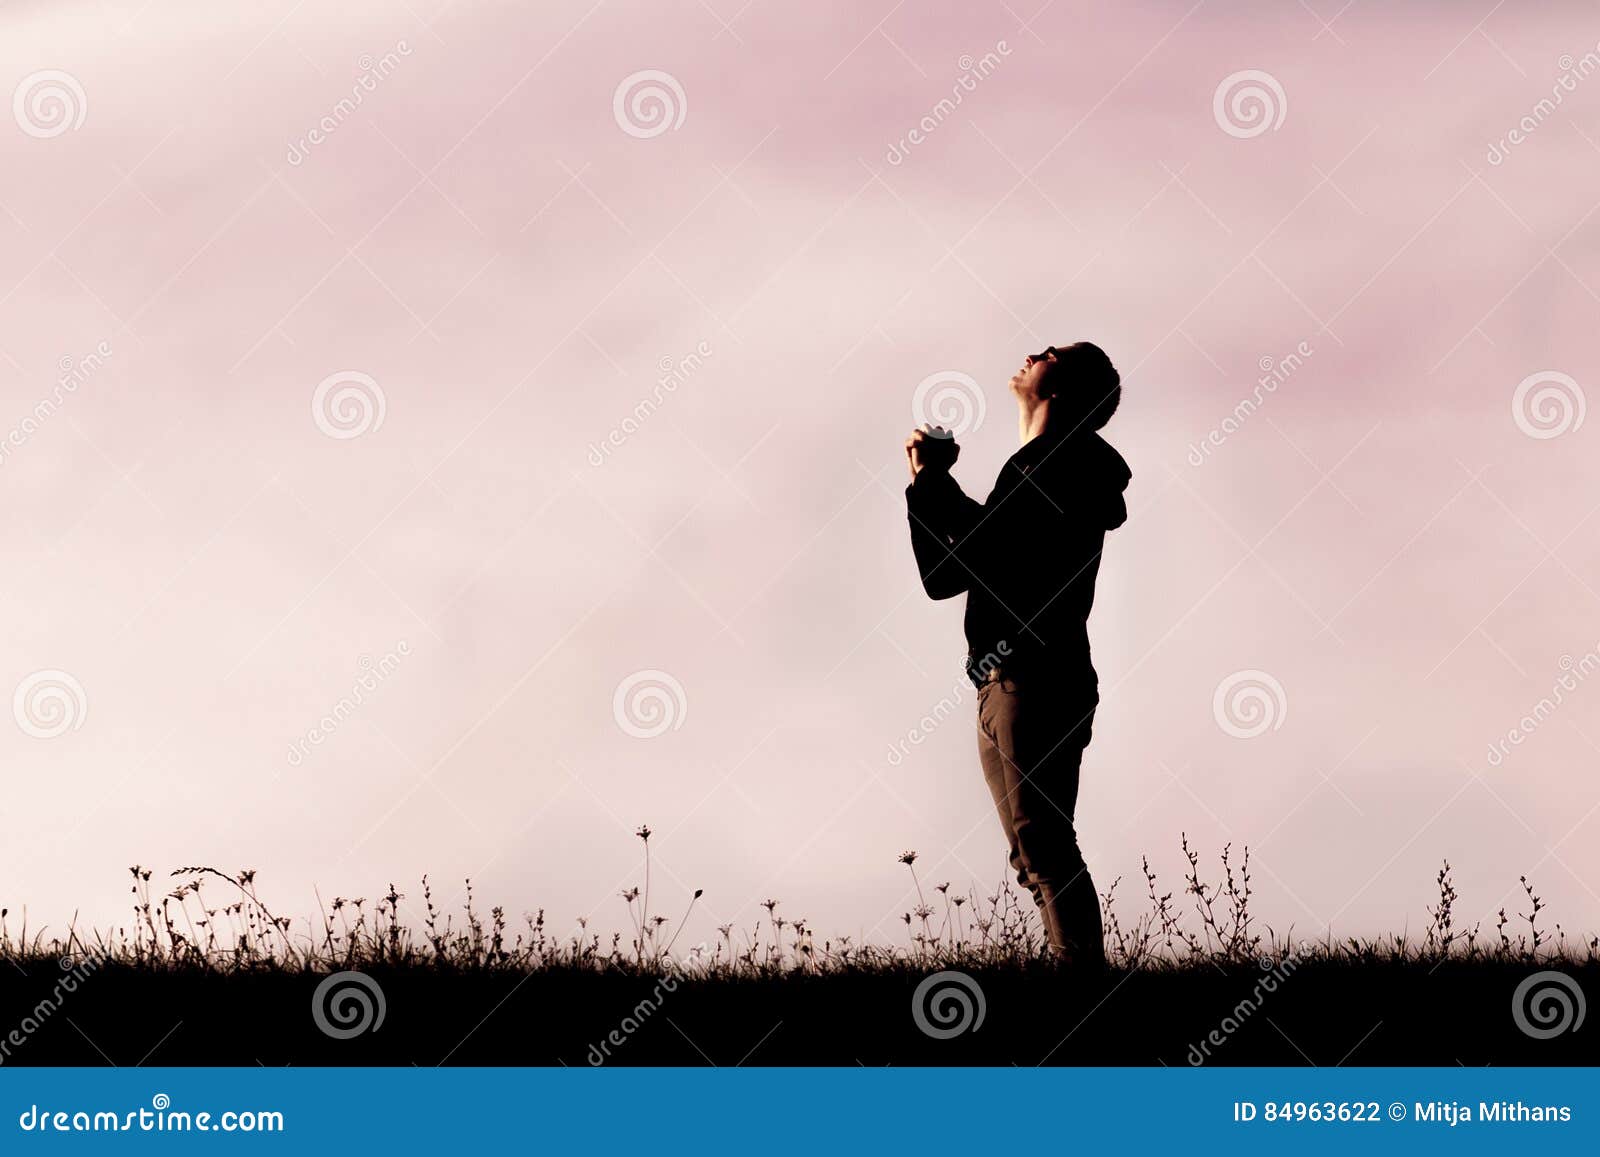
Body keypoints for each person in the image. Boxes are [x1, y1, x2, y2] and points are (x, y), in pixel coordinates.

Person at [904, 343, 1130, 966]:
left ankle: (1082, 990)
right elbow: (946, 574)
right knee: (1034, 851)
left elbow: (988, 553)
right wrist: (926, 489)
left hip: (1035, 675)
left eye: (1053, 353)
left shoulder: (1070, 464)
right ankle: (1078, 980)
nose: (1036, 352)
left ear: (1065, 388)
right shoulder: (1035, 468)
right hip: (1004, 680)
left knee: (1044, 845)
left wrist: (931, 482)